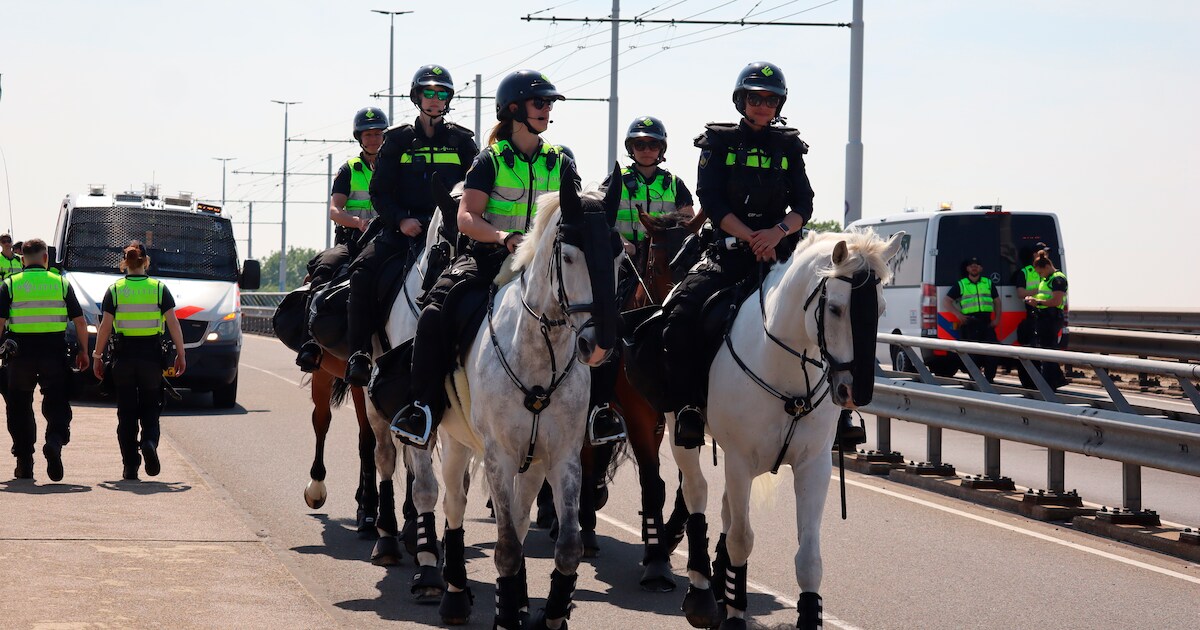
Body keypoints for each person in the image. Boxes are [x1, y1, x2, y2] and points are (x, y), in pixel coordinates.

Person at [391, 68, 627, 448]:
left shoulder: (560, 162)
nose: (546, 109)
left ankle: (600, 410)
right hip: (489, 259)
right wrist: (503, 237)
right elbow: (466, 217)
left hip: (548, 267)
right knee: (436, 313)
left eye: (549, 104)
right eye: (540, 103)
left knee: (602, 318)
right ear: (514, 109)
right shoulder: (490, 159)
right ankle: (422, 408)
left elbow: (577, 215)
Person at [665, 62, 817, 449]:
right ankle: (687, 409)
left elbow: (805, 204)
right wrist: (751, 236)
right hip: (728, 255)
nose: (762, 105)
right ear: (741, 101)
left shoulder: (790, 147)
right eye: (755, 98)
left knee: (828, 311)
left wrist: (778, 232)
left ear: (779, 104)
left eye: (770, 99)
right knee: (679, 316)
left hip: (780, 258)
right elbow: (710, 200)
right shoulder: (717, 143)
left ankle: (840, 408)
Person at [343, 65, 479, 385]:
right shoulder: (397, 139)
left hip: (452, 230)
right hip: (404, 229)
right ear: (417, 97)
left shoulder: (462, 141)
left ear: (448, 100)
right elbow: (379, 192)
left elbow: (477, 189)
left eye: (441, 93)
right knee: (362, 271)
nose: (435, 99)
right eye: (428, 92)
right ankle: (360, 353)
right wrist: (400, 219)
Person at [294, 106, 390, 372]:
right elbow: (335, 211)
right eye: (368, 134)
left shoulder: (394, 167)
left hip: (387, 242)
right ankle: (310, 343)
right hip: (352, 243)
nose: (373, 139)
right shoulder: (349, 169)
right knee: (324, 270)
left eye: (378, 133)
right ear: (359, 137)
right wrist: (358, 222)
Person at [92, 241, 187, 480]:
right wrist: (181, 353)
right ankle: (149, 442)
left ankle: (130, 466)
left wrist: (97, 356)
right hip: (151, 360)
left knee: (126, 414)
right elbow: (173, 323)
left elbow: (104, 328)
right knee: (150, 408)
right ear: (146, 262)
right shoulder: (158, 289)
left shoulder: (115, 290)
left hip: (123, 359)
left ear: (124, 262)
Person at [0, 239, 89, 480]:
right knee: (57, 402)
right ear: (46, 258)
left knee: (19, 406)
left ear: (21, 260)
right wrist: (84, 351)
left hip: (20, 357)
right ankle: (54, 442)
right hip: (54, 355)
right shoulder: (61, 283)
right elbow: (80, 322)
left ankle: (25, 462)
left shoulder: (10, 284)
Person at [605, 116, 696, 253]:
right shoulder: (615, 180)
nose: (646, 150)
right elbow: (601, 220)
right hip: (623, 257)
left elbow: (690, 227)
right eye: (639, 144)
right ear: (631, 148)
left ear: (661, 149)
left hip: (663, 259)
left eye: (653, 144)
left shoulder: (675, 184)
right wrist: (622, 243)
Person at [943, 256, 1001, 381]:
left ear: (981, 268)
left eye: (977, 265)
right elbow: (947, 301)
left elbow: (997, 302)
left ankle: (989, 380)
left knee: (993, 353)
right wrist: (958, 315)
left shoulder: (988, 283)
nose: (974, 267)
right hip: (970, 323)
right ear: (967, 268)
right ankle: (976, 380)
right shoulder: (962, 284)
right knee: (971, 355)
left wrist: (997, 319)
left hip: (986, 323)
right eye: (971, 265)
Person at [1025, 251, 1068, 389]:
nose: (1039, 275)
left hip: (1052, 317)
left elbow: (1056, 301)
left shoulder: (1058, 279)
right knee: (1043, 350)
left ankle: (1049, 385)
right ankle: (1057, 379)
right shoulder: (1046, 280)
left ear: (1047, 267)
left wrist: (1037, 302)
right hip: (1044, 317)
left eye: (1040, 272)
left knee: (1047, 351)